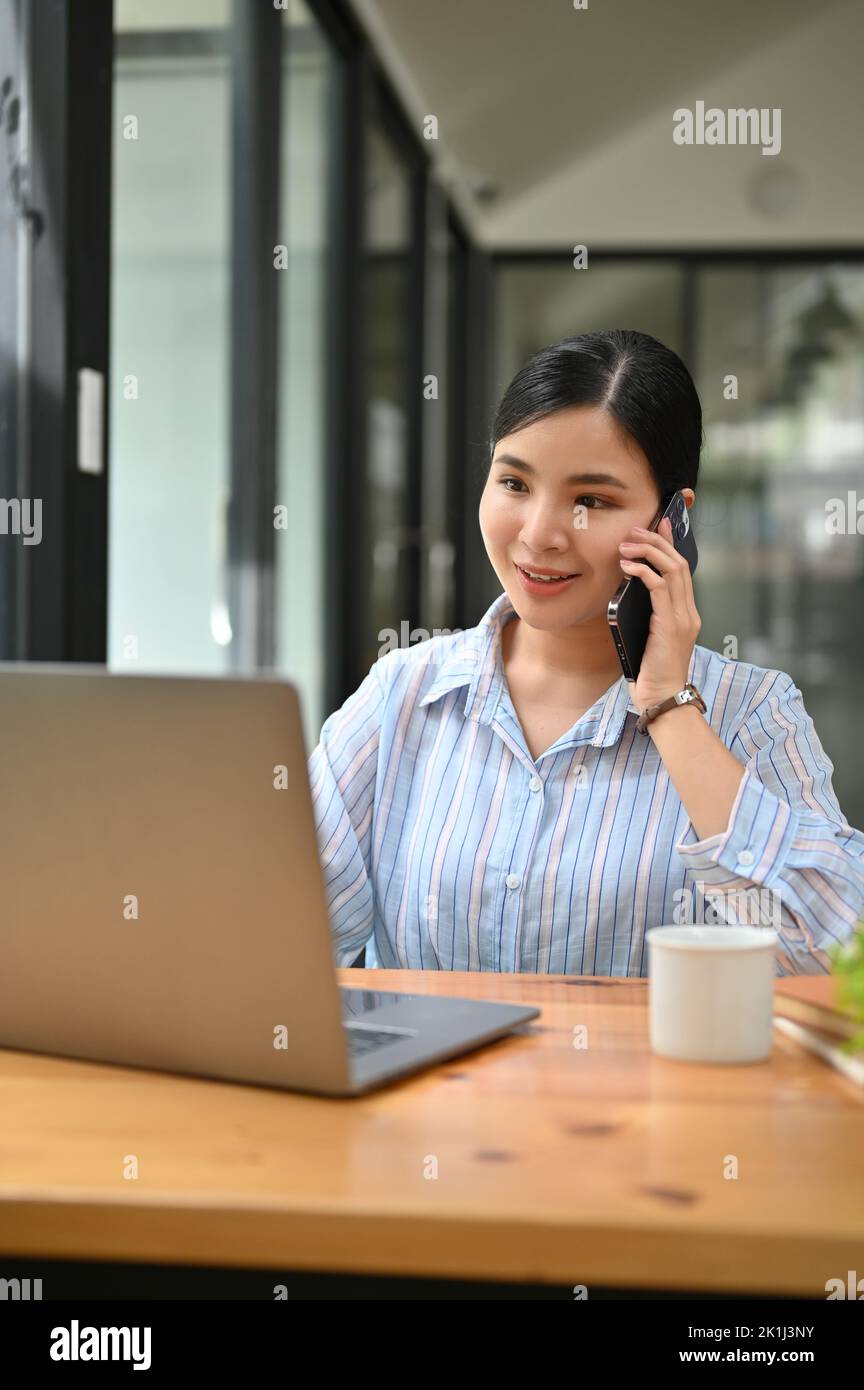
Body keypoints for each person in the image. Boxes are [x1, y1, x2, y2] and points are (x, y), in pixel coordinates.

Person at [307, 329, 864, 976]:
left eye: (590, 500)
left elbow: (841, 955)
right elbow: (284, 932)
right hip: (433, 1082)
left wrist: (669, 708)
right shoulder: (402, 694)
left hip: (646, 1083)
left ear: (672, 524)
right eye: (514, 483)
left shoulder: (753, 713)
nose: (540, 534)